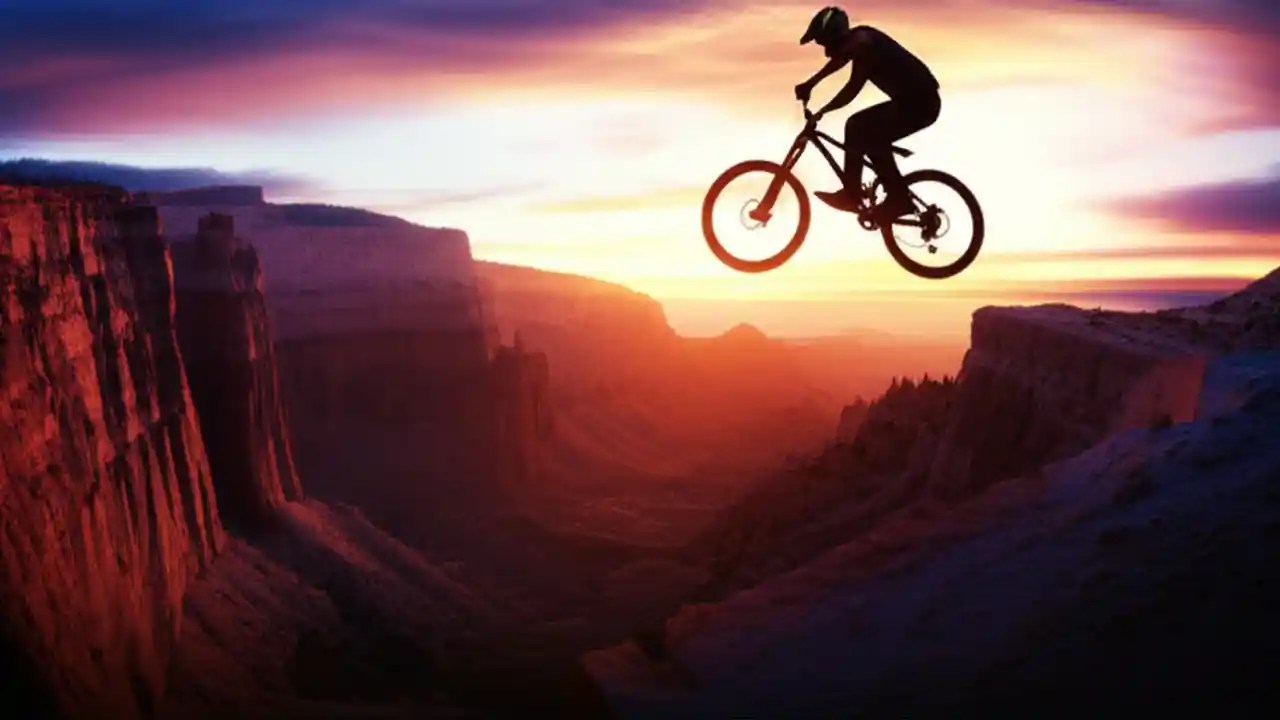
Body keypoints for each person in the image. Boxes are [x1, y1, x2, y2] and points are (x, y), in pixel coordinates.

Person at [794, 6, 940, 220]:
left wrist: (822, 111)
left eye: (822, 42)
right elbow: (838, 62)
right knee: (861, 129)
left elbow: (852, 88)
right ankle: (856, 193)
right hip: (914, 102)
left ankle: (887, 198)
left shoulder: (863, 44)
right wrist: (810, 84)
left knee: (860, 128)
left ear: (832, 35)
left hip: (920, 104)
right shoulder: (858, 40)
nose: (824, 49)